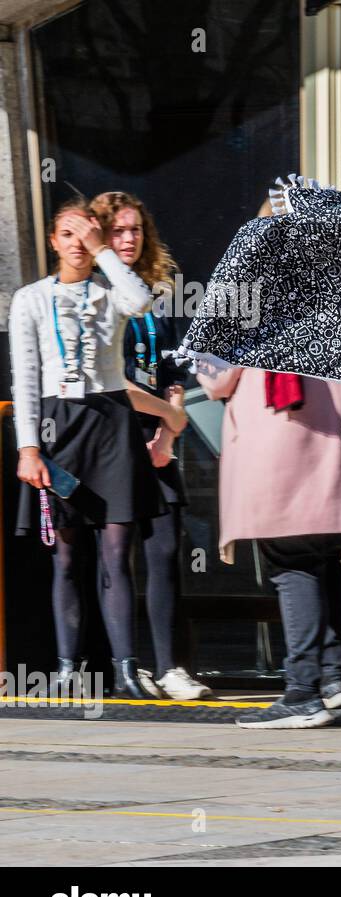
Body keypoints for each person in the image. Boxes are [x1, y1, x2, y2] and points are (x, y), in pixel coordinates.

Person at [195, 203, 341, 729]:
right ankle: (333, 683)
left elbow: (215, 375)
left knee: (291, 562)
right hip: (339, 451)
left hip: (284, 446)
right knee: (320, 558)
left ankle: (303, 689)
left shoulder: (252, 292)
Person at [8, 198, 185, 698]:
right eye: (66, 235)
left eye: (83, 233)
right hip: (57, 423)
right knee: (66, 554)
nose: (76, 244)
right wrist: (27, 449)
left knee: (116, 552)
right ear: (51, 242)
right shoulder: (31, 298)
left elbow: (140, 301)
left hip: (109, 419)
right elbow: (24, 380)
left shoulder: (112, 291)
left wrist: (102, 248)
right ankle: (67, 666)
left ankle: (127, 667)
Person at [92, 190, 212, 700]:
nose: (128, 238)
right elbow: (109, 375)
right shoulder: (96, 293)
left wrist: (169, 425)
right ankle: (125, 664)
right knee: (115, 556)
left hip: (158, 437)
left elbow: (171, 368)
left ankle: (171, 667)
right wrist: (164, 415)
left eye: (135, 229)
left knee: (164, 548)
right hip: (113, 435)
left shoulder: (155, 294)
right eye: (117, 230)